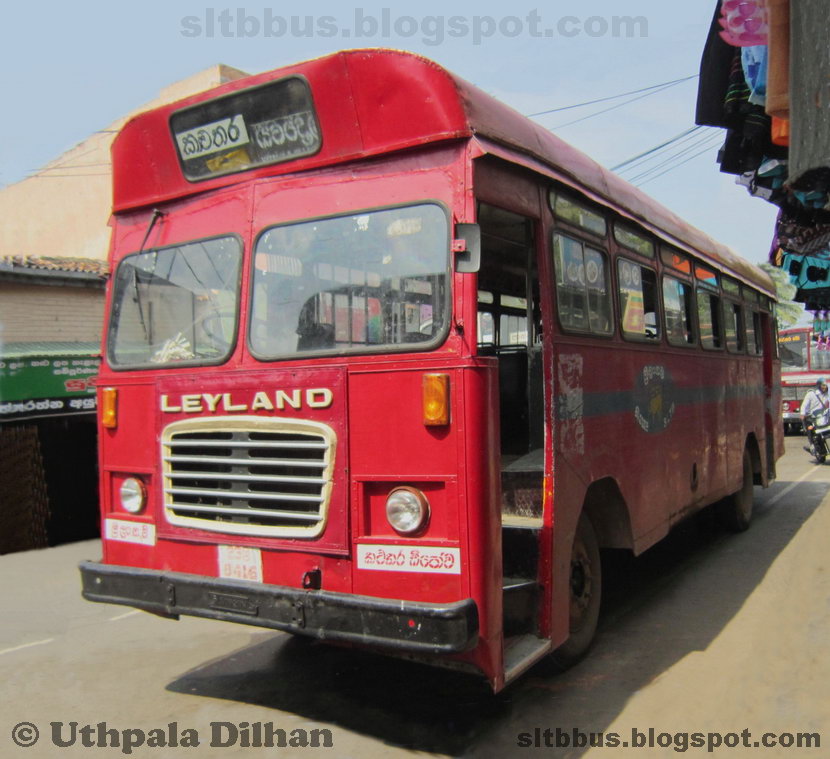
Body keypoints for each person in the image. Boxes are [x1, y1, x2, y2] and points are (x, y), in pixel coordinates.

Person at [801, 377, 830, 451]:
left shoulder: (827, 394)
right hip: (813, 417)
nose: (825, 387)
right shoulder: (811, 394)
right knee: (809, 428)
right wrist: (802, 414)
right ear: (819, 385)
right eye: (823, 385)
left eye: (826, 385)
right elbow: (804, 405)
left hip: (825, 416)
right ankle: (811, 445)